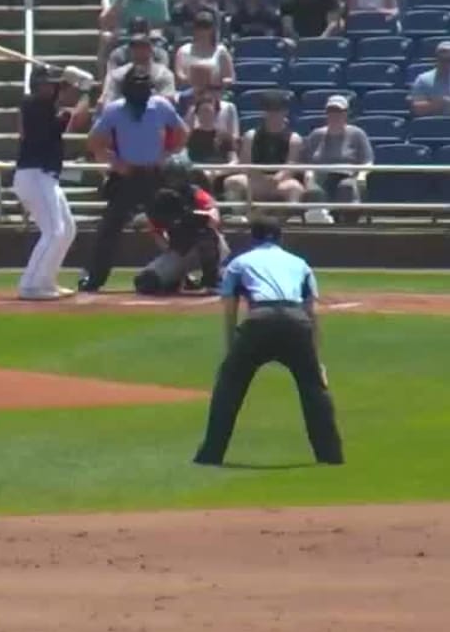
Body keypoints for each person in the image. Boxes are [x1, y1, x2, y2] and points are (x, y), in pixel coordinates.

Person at [192, 216, 345, 467]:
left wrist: (231, 350)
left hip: (259, 321)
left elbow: (230, 309)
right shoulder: (300, 263)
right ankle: (331, 455)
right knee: (313, 389)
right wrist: (318, 361)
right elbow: (312, 312)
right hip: (297, 322)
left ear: (253, 238)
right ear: (280, 237)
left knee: (229, 387)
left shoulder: (239, 263)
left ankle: (211, 454)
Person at [78, 69, 188, 293]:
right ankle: (94, 277)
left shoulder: (160, 106)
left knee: (174, 226)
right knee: (109, 228)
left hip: (154, 175)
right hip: (127, 176)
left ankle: (183, 273)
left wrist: (166, 156)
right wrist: (115, 163)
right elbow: (94, 142)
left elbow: (182, 133)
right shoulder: (114, 110)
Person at [13, 66, 93, 301]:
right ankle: (29, 285)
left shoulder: (46, 104)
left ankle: (45, 280)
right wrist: (84, 90)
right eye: (46, 83)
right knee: (54, 231)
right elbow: (72, 112)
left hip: (45, 176)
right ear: (36, 85)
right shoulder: (33, 105)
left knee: (67, 229)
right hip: (34, 175)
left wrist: (79, 86)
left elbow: (64, 97)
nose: (51, 87)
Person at [134, 161, 228, 295]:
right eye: (171, 177)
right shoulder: (160, 200)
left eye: (178, 177)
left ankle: (213, 279)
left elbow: (214, 219)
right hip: (180, 250)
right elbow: (159, 237)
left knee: (204, 233)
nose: (175, 181)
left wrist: (189, 215)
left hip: (213, 246)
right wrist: (176, 261)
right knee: (146, 282)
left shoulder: (196, 194)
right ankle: (179, 279)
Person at [222, 92, 305, 208]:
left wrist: (277, 178)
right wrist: (258, 178)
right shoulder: (250, 135)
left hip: (280, 182)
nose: (273, 114)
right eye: (269, 110)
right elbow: (245, 163)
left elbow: (291, 166)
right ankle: (237, 217)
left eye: (277, 110)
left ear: (285, 112)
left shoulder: (294, 139)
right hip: (255, 181)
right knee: (232, 182)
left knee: (295, 188)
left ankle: (291, 219)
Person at [301, 95, 373, 224]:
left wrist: (362, 175)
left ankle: (347, 226)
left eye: (339, 112)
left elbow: (368, 160)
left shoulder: (357, 134)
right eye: (331, 111)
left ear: (346, 114)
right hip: (321, 176)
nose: (334, 115)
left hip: (347, 175)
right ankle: (319, 225)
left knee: (346, 187)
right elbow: (307, 161)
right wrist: (309, 173)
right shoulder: (316, 134)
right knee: (313, 190)